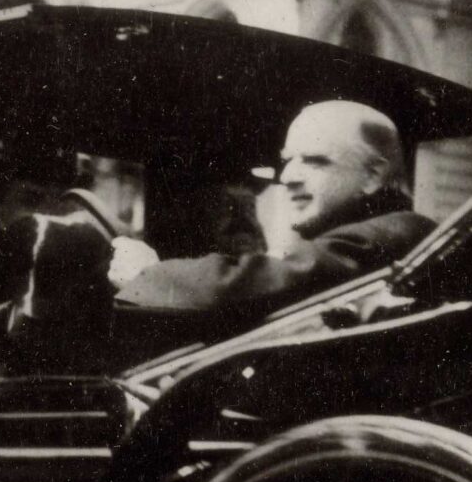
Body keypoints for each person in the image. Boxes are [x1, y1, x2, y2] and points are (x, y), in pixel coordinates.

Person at [115, 100, 435, 320]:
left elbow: (261, 283)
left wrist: (147, 275)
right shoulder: (382, 236)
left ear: (373, 175)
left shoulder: (396, 233)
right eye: (288, 160)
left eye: (315, 161)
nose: (288, 177)